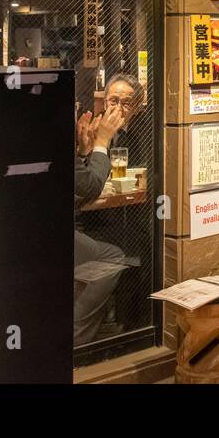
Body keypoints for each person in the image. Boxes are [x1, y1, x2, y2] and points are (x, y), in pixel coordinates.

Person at [73, 73, 143, 345]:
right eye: (113, 100)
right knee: (110, 255)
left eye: (126, 103)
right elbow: (86, 185)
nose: (118, 108)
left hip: (119, 217)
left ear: (136, 107)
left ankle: (124, 323)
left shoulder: (142, 134)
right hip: (87, 220)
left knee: (132, 246)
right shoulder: (92, 130)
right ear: (102, 102)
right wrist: (92, 147)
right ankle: (80, 339)